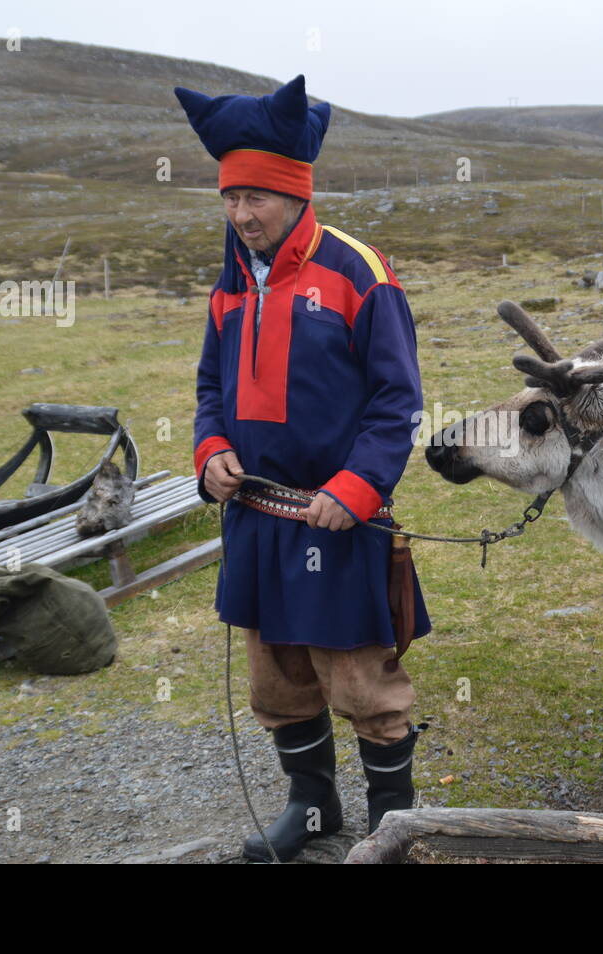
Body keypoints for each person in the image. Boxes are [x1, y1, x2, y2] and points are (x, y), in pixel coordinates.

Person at [177, 75, 432, 862]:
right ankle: (313, 811)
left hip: (338, 518)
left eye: (256, 198)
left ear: (293, 193)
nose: (242, 216)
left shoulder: (359, 273)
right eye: (230, 200)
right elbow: (211, 387)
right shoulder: (228, 286)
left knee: (362, 684)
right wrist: (211, 451)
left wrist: (356, 489)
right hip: (256, 516)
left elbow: (399, 400)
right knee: (277, 681)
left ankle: (395, 826)